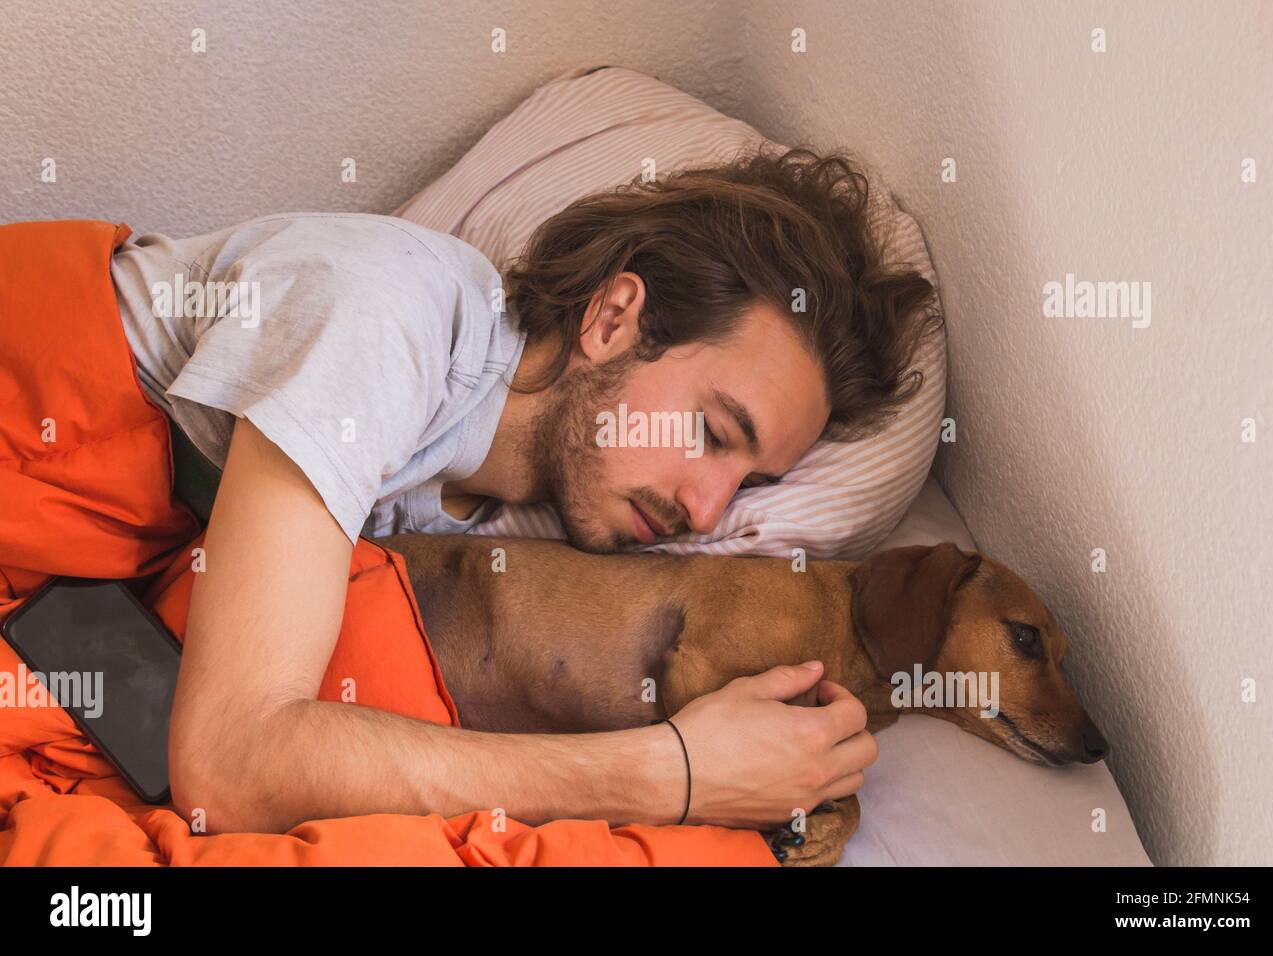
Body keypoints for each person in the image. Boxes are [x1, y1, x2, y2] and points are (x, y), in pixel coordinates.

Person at [108, 145, 940, 834]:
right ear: (612, 319)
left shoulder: (502, 511)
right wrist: (672, 775)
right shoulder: (386, 313)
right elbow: (231, 764)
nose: (709, 511)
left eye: (750, 483)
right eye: (714, 434)